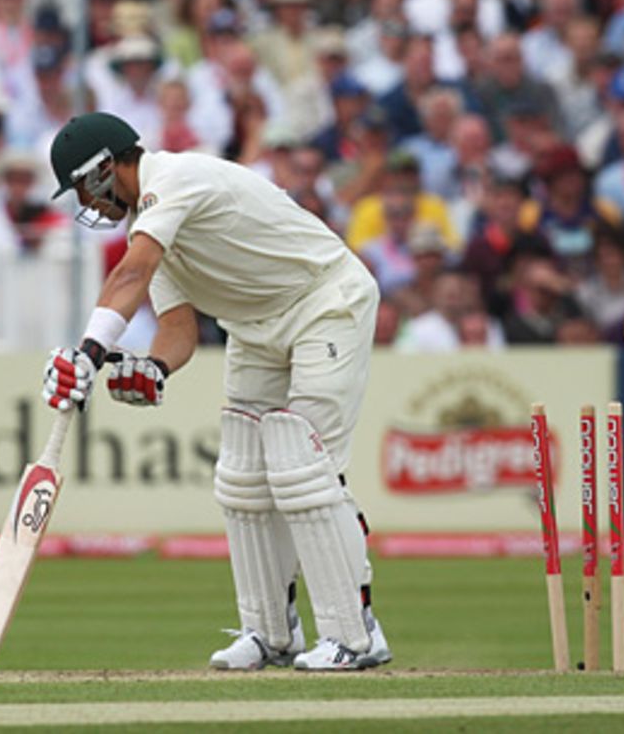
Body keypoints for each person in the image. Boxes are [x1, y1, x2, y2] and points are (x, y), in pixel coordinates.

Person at [41, 112, 390, 671]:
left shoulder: (173, 183)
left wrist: (88, 352)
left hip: (326, 301)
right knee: (242, 471)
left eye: (82, 185)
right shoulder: (151, 230)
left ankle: (356, 632)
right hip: (254, 326)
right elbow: (177, 328)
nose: (84, 199)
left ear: (105, 167)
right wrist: (155, 368)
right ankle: (270, 633)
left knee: (303, 464)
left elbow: (128, 277)